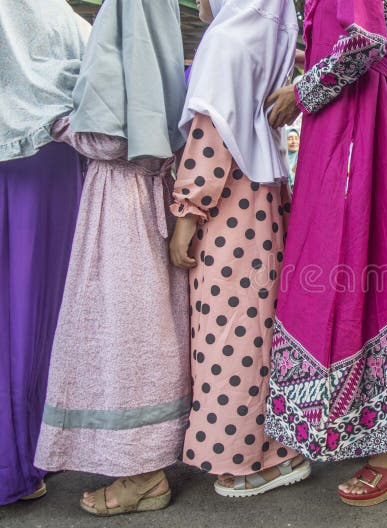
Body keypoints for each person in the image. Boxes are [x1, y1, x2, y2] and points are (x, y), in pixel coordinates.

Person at [263, 0, 387, 506]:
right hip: (350, 122)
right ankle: (369, 428)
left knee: (372, 264)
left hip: (360, 126)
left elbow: (366, 43)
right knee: (357, 268)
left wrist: (301, 92)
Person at [34, 0, 190, 516]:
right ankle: (144, 464)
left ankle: (143, 473)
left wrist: (55, 121)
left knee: (124, 331)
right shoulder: (160, 17)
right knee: (150, 327)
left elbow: (106, 138)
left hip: (120, 199)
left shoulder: (129, 10)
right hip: (151, 195)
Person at [169, 0, 310, 498]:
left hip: (227, 208)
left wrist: (187, 213)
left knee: (228, 332)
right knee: (258, 327)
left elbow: (211, 137)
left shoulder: (226, 40)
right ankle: (276, 445)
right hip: (261, 201)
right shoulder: (267, 36)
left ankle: (253, 457)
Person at [0, 1, 85, 505]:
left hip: (19, 159)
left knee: (15, 311)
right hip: (57, 158)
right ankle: (32, 452)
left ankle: (14, 461)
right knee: (42, 310)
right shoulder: (63, 15)